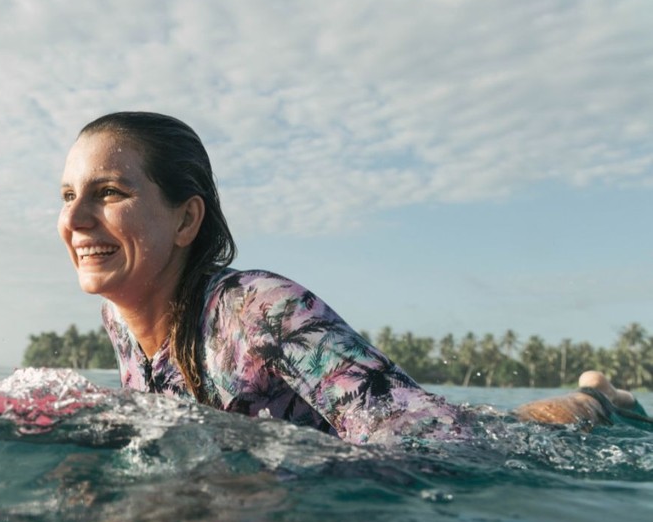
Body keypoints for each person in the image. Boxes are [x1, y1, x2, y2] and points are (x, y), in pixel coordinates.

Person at [58, 111, 650, 444]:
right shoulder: (121, 320)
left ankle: (598, 396)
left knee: (511, 429)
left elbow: (436, 442)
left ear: (186, 219)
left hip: (460, 440)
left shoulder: (258, 309)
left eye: (109, 192)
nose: (75, 219)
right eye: (66, 195)